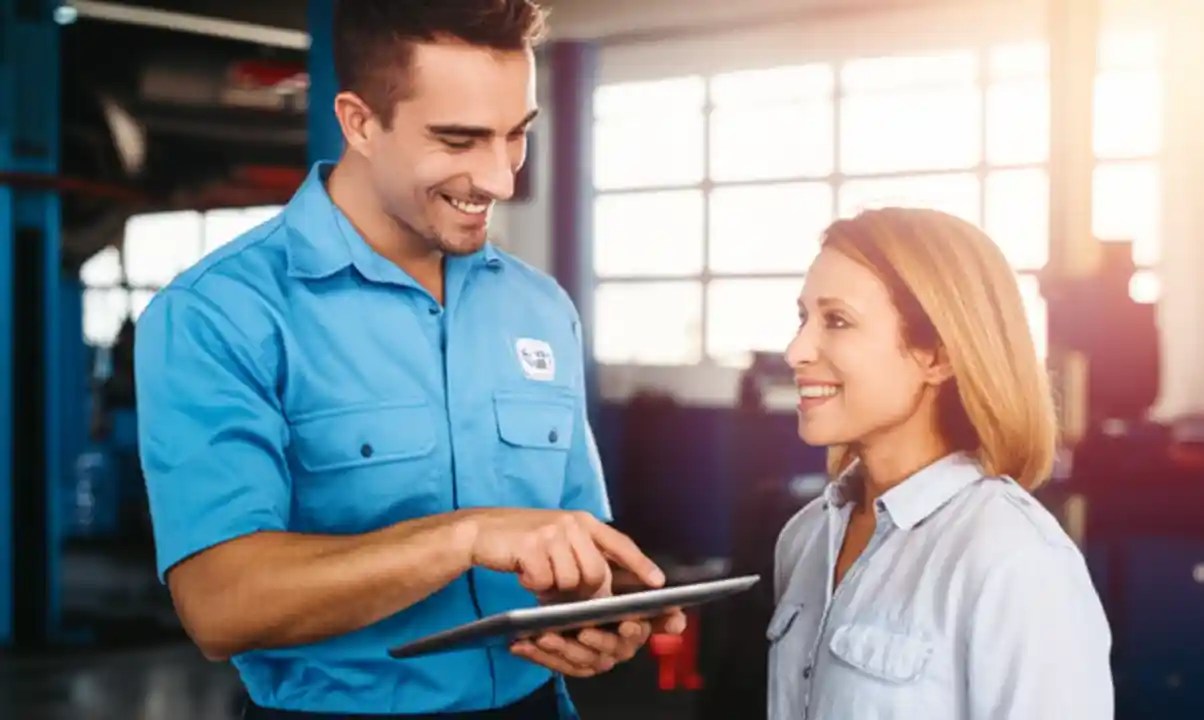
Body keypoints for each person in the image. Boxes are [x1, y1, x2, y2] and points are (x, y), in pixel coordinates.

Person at [133, 1, 682, 718]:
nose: (500, 179)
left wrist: (593, 614)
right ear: (360, 122)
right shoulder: (219, 313)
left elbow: (578, 541)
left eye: (516, 136)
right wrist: (466, 536)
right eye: (459, 140)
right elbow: (220, 604)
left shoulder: (540, 308)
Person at [769, 208, 1113, 719]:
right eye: (804, 318)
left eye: (837, 320)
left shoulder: (1016, 563)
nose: (796, 350)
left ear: (938, 355)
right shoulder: (805, 539)